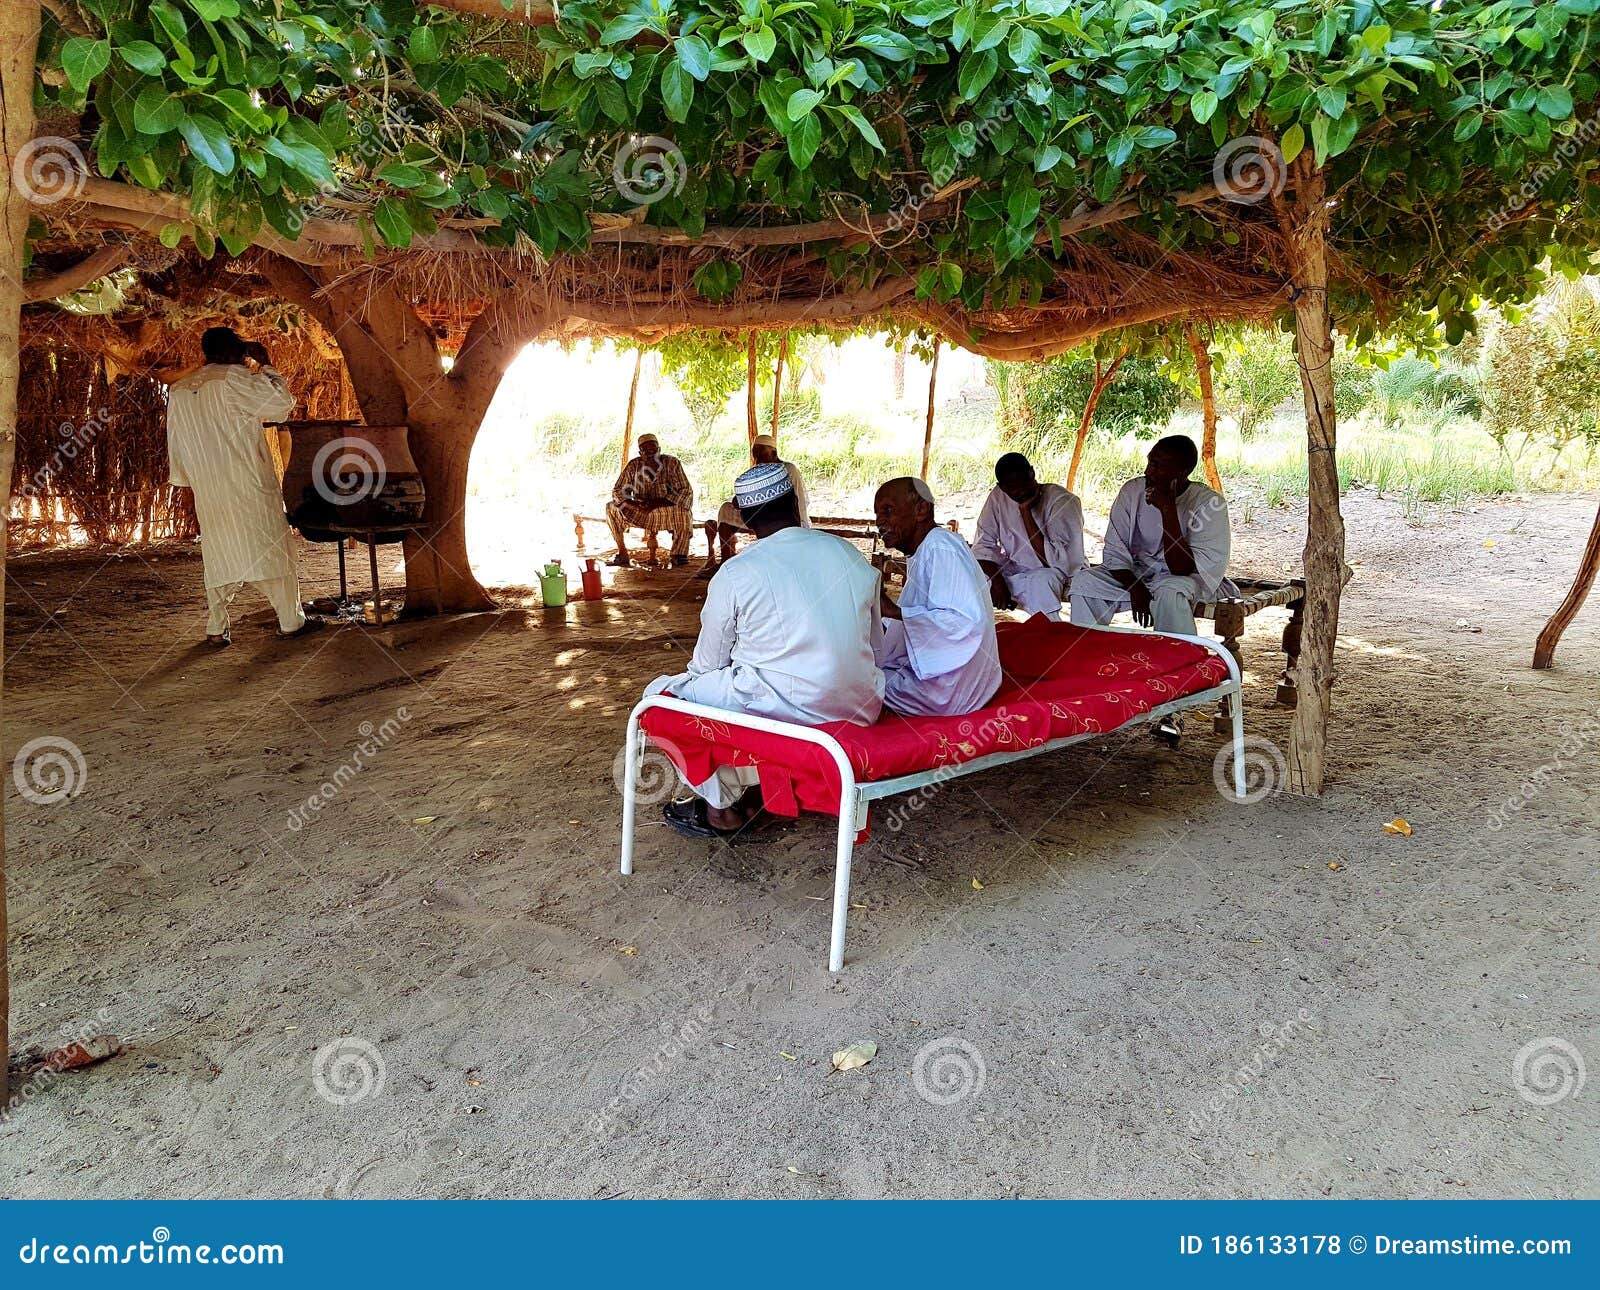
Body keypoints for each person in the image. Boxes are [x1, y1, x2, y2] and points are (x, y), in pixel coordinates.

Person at [646, 463, 883, 839]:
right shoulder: (848, 554)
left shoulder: (737, 572)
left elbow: (707, 665)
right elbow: (874, 645)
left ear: (744, 518)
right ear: (794, 501)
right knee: (737, 686)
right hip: (860, 704)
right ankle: (757, 791)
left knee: (662, 698)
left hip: (786, 707)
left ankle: (721, 807)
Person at [165, 327, 317, 646]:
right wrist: (266, 364)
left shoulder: (180, 389)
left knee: (221, 553)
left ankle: (216, 627)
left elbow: (175, 440)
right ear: (234, 350)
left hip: (210, 489)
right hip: (248, 481)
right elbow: (280, 405)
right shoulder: (233, 378)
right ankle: (291, 621)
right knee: (271, 548)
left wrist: (187, 478)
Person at [1069, 434, 1232, 637]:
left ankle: (1175, 654)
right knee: (1085, 581)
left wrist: (1168, 510)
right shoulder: (1132, 491)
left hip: (1184, 580)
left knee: (1171, 592)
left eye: (1157, 466)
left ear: (1183, 472)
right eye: (1149, 462)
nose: (1148, 471)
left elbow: (1181, 569)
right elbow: (1115, 552)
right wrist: (1136, 589)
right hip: (1136, 574)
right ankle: (1088, 650)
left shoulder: (1209, 504)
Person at [873, 476, 1002, 718]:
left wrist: (892, 611)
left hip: (948, 691)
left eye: (887, 510)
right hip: (952, 685)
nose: (880, 521)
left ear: (921, 510)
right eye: (877, 514)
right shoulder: (928, 548)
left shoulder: (940, 547)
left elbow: (962, 623)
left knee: (852, 682)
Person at [971, 452, 1086, 620]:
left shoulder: (1062, 501)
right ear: (1002, 487)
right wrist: (996, 580)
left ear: (1032, 473)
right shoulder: (998, 496)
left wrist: (1026, 512)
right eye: (1012, 488)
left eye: (1024, 483)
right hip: (1018, 571)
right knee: (973, 577)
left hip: (1058, 573)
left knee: (1044, 581)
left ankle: (1049, 630)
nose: (1020, 491)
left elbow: (1056, 563)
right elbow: (983, 546)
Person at [707, 434, 810, 569]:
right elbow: (741, 500)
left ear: (774, 453)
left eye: (762, 452)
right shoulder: (756, 471)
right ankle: (726, 561)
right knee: (725, 509)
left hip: (784, 519)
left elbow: (797, 499)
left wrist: (798, 526)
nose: (757, 456)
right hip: (758, 517)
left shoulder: (788, 468)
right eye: (755, 452)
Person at [606, 432, 695, 568]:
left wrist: (655, 504)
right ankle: (622, 553)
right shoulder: (634, 466)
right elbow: (618, 491)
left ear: (659, 450)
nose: (651, 454)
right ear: (640, 453)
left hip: (665, 512)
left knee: (684, 512)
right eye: (646, 451)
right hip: (640, 512)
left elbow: (685, 492)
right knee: (611, 508)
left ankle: (679, 554)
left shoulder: (672, 463)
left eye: (654, 450)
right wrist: (634, 505)